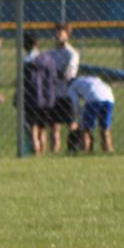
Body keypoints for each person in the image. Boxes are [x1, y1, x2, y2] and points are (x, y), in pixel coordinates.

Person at [21, 32, 64, 155]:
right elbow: (54, 79)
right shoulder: (48, 59)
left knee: (33, 128)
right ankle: (43, 151)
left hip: (32, 99)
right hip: (48, 99)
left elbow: (26, 82)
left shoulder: (26, 62)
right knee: (42, 128)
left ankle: (36, 152)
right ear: (37, 44)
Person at [45, 22, 81, 152]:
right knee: (54, 127)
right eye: (56, 32)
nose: (57, 35)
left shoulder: (71, 53)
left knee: (71, 123)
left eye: (60, 33)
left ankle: (74, 147)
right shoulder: (51, 53)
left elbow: (69, 74)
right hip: (54, 95)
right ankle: (54, 151)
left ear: (67, 35)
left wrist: (54, 73)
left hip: (67, 95)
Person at [67, 73, 116, 153]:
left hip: (93, 99)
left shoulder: (71, 86)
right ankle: (108, 150)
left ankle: (85, 151)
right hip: (109, 98)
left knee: (86, 130)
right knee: (105, 128)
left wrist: (80, 119)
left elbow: (75, 103)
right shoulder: (87, 80)